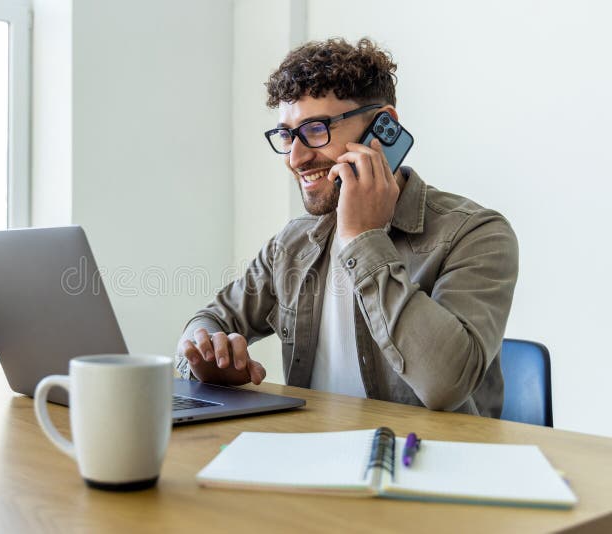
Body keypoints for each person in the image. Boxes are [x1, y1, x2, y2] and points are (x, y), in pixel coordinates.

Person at [175, 37, 518, 417]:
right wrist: (203, 356)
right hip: (312, 461)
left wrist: (362, 238)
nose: (296, 157)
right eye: (287, 135)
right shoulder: (292, 244)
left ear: (383, 127)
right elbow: (210, 319)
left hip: (426, 465)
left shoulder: (476, 234)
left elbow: (445, 385)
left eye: (316, 130)